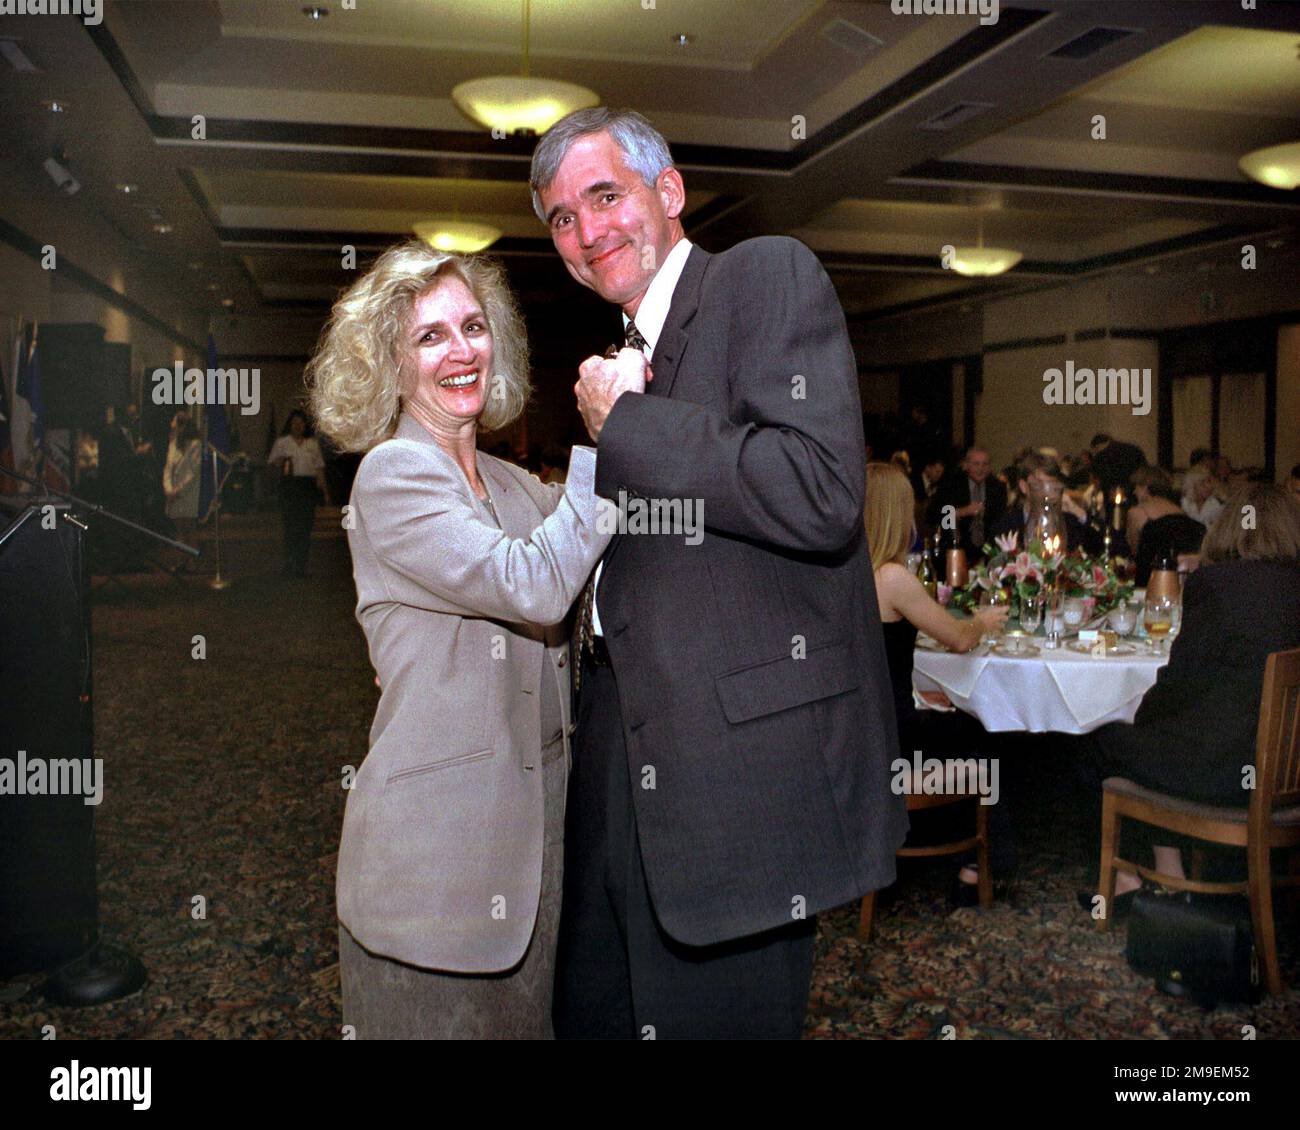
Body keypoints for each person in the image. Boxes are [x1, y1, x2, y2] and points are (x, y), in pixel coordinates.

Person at [531, 107, 907, 1039]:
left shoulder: (762, 276)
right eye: (563, 219)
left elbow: (822, 492)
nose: (587, 231)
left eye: (605, 196)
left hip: (738, 776)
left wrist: (629, 424)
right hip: (618, 741)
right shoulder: (627, 356)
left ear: (669, 193)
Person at [307, 241, 611, 1039]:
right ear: (391, 366)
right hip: (433, 874)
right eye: (430, 336)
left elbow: (603, 543)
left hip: (537, 856)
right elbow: (538, 582)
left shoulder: (512, 485)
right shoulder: (392, 476)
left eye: (473, 327)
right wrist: (606, 442)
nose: (461, 350)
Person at [1079, 483, 1300, 914]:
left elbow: (1180, 684)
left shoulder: (1217, 585)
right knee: (1164, 744)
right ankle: (1172, 874)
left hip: (1228, 774)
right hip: (1283, 775)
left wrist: (1141, 719)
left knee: (1100, 742)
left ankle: (1127, 880)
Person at [867, 461, 1012, 899]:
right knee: (987, 730)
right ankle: (977, 867)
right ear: (898, 514)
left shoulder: (846, 573)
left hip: (860, 728)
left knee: (947, 715)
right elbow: (959, 639)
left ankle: (918, 837)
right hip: (894, 734)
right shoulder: (893, 578)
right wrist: (983, 620)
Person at [987, 451, 1102, 554]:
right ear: (1024, 486)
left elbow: (1104, 544)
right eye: (1040, 485)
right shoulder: (1006, 526)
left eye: (1053, 486)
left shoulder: (1069, 522)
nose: (1048, 493)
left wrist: (1079, 513)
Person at [266, 409, 327, 577]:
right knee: (290, 526)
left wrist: (324, 492)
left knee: (305, 528)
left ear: (305, 425)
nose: (298, 425)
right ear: (290, 424)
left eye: (301, 422)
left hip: (307, 488)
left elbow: (319, 469)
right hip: (289, 487)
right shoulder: (282, 442)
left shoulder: (312, 444)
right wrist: (281, 461)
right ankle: (289, 563)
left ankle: (302, 565)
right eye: (295, 422)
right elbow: (271, 464)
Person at [1127, 465, 1205, 585]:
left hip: (1151, 578)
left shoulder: (1137, 512)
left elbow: (1135, 550)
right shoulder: (1180, 511)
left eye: (1137, 487)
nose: (1134, 491)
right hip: (1182, 578)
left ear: (1145, 488)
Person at [926, 446, 1007, 559]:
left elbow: (1001, 521)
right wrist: (960, 512)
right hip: (957, 548)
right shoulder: (951, 484)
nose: (981, 469)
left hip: (988, 549)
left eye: (985, 464)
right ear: (967, 465)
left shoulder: (997, 487)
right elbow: (932, 516)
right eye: (976, 464)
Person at [162, 409, 201, 571]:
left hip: (188, 492)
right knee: (178, 529)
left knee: (189, 528)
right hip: (174, 495)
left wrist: (178, 490)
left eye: (174, 422)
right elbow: (167, 469)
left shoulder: (195, 445)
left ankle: (191, 561)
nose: (172, 425)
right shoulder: (172, 445)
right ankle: (180, 560)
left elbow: (194, 471)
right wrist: (168, 489)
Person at [1089, 433, 1145, 498]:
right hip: (1134, 489)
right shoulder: (1133, 449)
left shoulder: (1101, 457)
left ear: (1097, 446)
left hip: (1112, 492)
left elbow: (1099, 478)